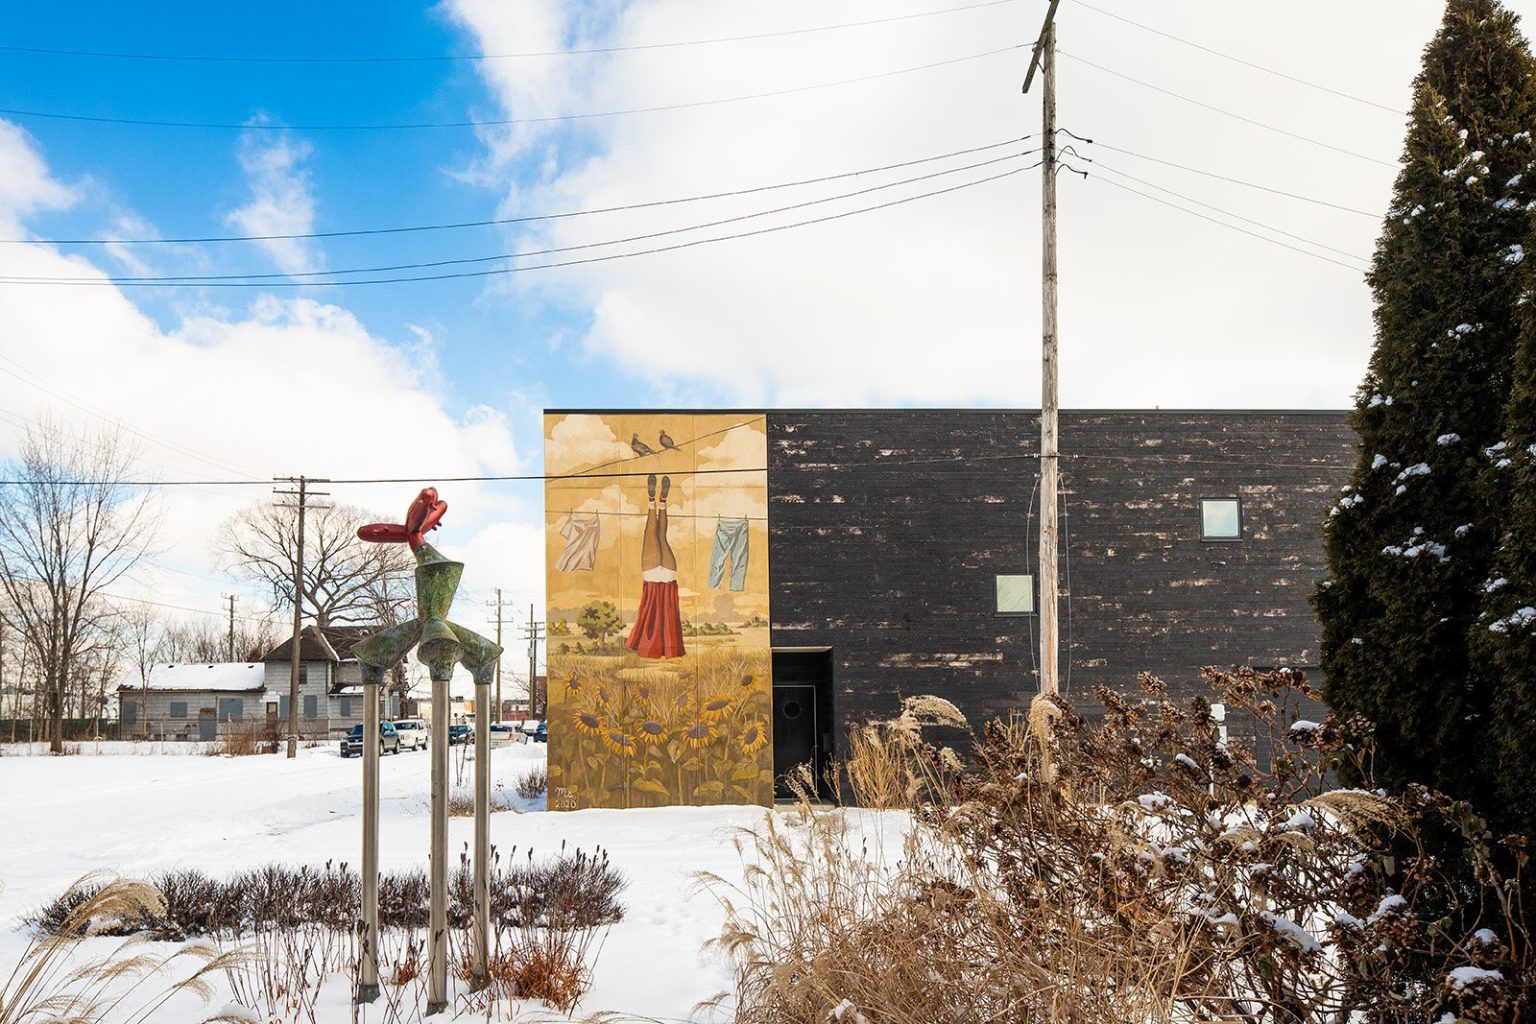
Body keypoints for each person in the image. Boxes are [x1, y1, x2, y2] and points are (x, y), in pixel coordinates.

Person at [627, 474, 685, 659]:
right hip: (654, 577)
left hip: (666, 577)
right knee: (654, 535)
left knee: (660, 536)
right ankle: (655, 501)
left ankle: (660, 501)